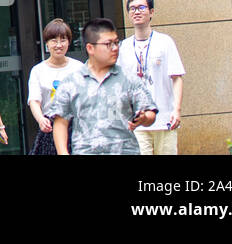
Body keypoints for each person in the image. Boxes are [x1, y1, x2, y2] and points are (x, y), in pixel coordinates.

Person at [49, 18, 156, 155]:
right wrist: (63, 152)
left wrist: (144, 118)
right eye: (108, 44)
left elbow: (150, 113)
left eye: (116, 43)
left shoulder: (129, 79)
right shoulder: (71, 83)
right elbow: (60, 121)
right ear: (90, 48)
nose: (115, 48)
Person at [117, 0, 185, 155]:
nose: (136, 12)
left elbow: (177, 78)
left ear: (151, 12)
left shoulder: (165, 42)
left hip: (164, 119)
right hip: (136, 122)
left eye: (141, 7)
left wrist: (176, 110)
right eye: (132, 9)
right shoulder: (123, 47)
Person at [27, 18, 84, 156]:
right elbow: (34, 100)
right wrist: (41, 120)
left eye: (63, 40)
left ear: (69, 42)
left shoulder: (79, 68)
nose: (59, 45)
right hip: (50, 126)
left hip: (76, 127)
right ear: (47, 43)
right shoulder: (38, 70)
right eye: (54, 40)